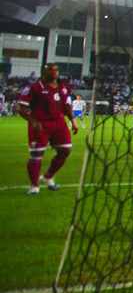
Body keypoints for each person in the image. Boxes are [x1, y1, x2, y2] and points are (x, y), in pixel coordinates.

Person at [16, 64, 78, 195]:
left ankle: (48, 176)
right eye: (51, 70)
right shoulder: (34, 87)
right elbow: (20, 108)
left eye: (56, 70)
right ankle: (34, 186)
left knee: (66, 150)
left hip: (59, 123)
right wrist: (32, 121)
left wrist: (73, 121)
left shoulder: (63, 87)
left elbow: (66, 106)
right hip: (40, 124)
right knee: (36, 155)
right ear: (45, 72)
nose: (55, 72)